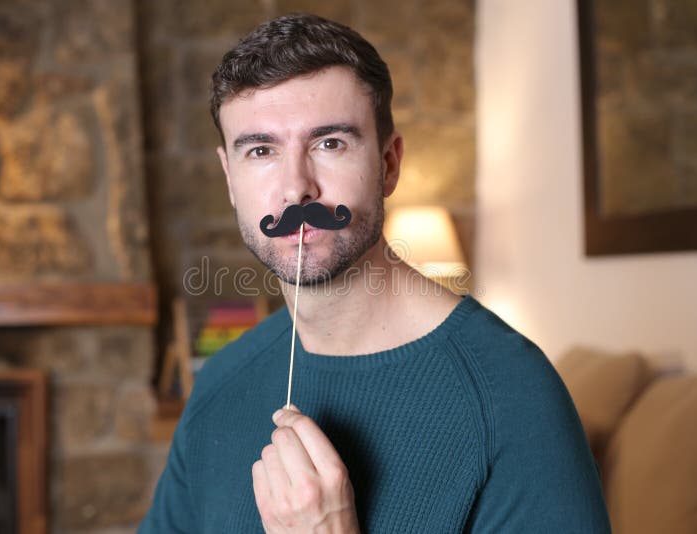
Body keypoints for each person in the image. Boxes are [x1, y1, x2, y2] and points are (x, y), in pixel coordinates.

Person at [139, 13, 611, 533]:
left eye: (329, 143)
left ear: (389, 163)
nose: (296, 188)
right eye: (261, 150)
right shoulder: (220, 382)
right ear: (230, 177)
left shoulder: (512, 396)